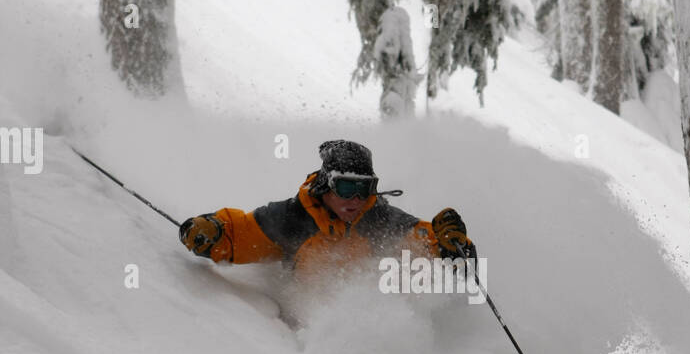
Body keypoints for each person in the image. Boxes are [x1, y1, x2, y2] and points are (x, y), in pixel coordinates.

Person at [178, 140, 474, 285]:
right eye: (346, 187)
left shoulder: (378, 219)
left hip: (374, 327)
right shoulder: (293, 219)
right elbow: (239, 236)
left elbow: (432, 248)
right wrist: (212, 231)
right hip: (304, 333)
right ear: (325, 184)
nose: (356, 199)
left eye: (365, 188)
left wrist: (453, 246)